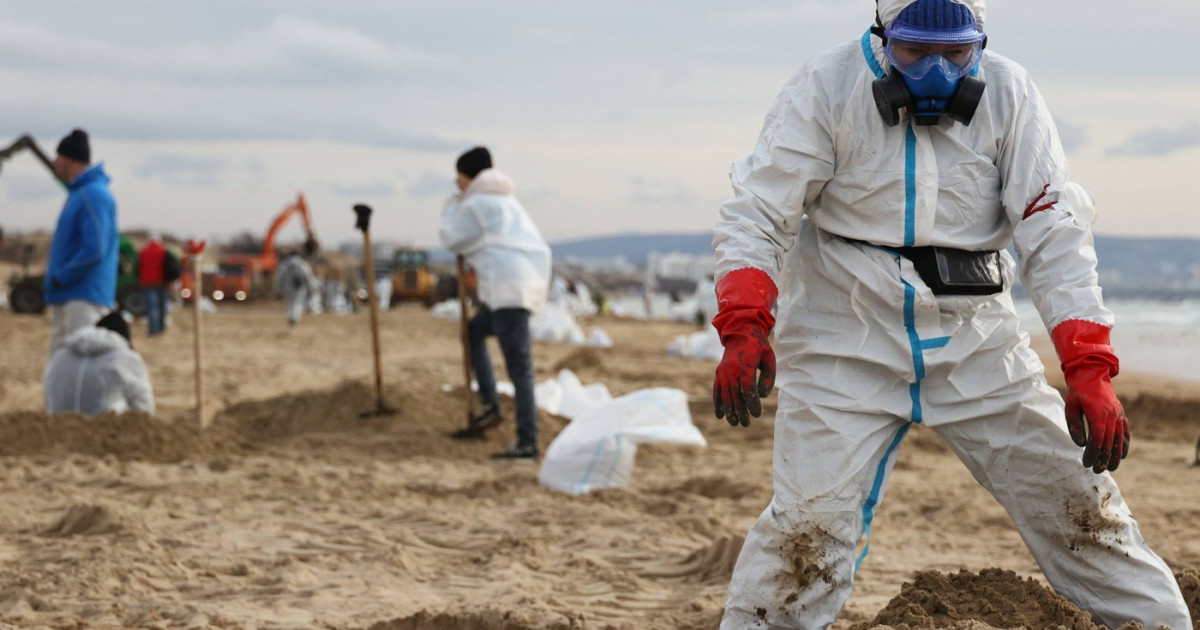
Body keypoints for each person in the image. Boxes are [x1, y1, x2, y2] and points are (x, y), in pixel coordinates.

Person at [708, 1, 1191, 628]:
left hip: (977, 342)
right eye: (914, 52)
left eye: (956, 54)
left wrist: (1088, 367)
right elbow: (759, 213)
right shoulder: (825, 86)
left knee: (1083, 512)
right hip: (843, 342)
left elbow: (1052, 230)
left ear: (980, 43)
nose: (936, 71)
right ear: (882, 40)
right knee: (805, 531)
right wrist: (745, 325)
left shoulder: (1011, 94)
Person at [441, 146, 551, 461]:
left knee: (520, 369)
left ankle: (527, 443)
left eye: (458, 176)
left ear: (468, 175)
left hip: (508, 291)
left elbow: (451, 237)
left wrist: (452, 206)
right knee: (473, 332)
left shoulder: (477, 203)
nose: (456, 182)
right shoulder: (505, 201)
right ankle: (490, 405)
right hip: (516, 287)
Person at [44, 129, 119, 355]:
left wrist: (61, 277)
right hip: (70, 296)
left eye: (59, 156)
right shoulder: (79, 194)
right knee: (61, 368)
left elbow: (94, 249)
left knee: (81, 366)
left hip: (82, 297)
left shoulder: (92, 195)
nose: (55, 161)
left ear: (71, 159)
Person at [44, 310, 155, 416]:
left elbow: (48, 400)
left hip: (59, 425)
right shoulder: (127, 358)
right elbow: (144, 410)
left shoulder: (60, 355)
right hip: (104, 428)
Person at [137, 233, 173, 336]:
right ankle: (161, 328)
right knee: (162, 308)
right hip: (162, 284)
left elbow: (137, 268)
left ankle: (153, 330)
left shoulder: (143, 253)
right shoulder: (164, 252)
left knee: (152, 308)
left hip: (148, 284)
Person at [274, 250, 315, 326]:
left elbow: (279, 278)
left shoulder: (284, 264)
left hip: (287, 287)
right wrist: (310, 287)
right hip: (300, 287)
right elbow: (308, 276)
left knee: (289, 303)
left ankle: (290, 317)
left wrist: (278, 290)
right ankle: (294, 318)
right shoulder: (302, 264)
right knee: (297, 303)